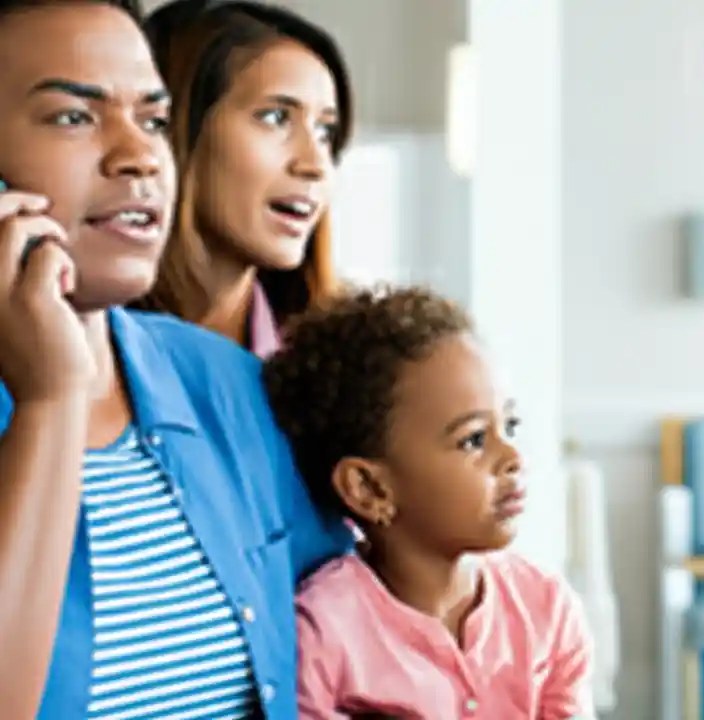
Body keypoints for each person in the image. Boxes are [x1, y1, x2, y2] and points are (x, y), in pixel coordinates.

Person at [0, 1, 350, 718]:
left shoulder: (231, 383)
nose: (139, 154)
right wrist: (50, 402)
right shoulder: (41, 406)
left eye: (154, 120)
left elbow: (366, 622)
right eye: (74, 116)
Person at [262, 286, 596, 719]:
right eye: (473, 440)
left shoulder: (547, 609)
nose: (513, 458)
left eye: (509, 426)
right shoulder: (323, 631)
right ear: (369, 488)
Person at [134, 0, 351, 357]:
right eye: (275, 117)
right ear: (176, 129)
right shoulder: (70, 344)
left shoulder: (339, 370)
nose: (315, 164)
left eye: (325, 132)